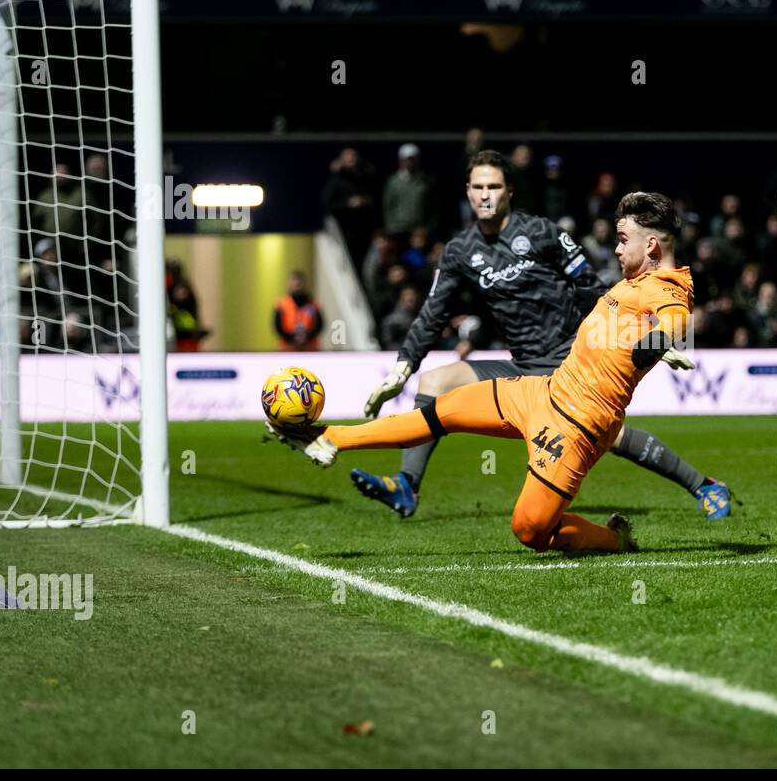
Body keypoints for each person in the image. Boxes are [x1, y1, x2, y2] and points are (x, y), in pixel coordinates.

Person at [267, 193, 703, 554]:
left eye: (623, 239)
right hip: (542, 391)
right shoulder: (631, 279)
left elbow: (676, 321)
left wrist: (660, 342)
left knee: (530, 531)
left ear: (651, 247)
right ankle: (330, 439)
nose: (616, 247)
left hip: (576, 427)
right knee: (439, 413)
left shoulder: (668, 288)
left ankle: (615, 540)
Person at [344, 153, 731, 521]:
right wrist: (402, 367)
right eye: (477, 186)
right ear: (466, 191)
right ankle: (407, 485)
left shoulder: (542, 232)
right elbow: (432, 314)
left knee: (612, 437)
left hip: (567, 359)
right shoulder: (460, 250)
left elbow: (590, 287)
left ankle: (704, 485)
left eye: (494, 186)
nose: (485, 194)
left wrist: (649, 338)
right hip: (521, 362)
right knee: (434, 381)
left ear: (509, 190)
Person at [274, 271, 323, 351]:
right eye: (294, 282)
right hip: (287, 348)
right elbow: (278, 327)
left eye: (299, 283)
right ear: (289, 284)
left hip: (309, 348)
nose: (297, 285)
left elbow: (319, 325)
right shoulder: (281, 304)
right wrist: (292, 338)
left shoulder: (313, 304)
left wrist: (306, 337)